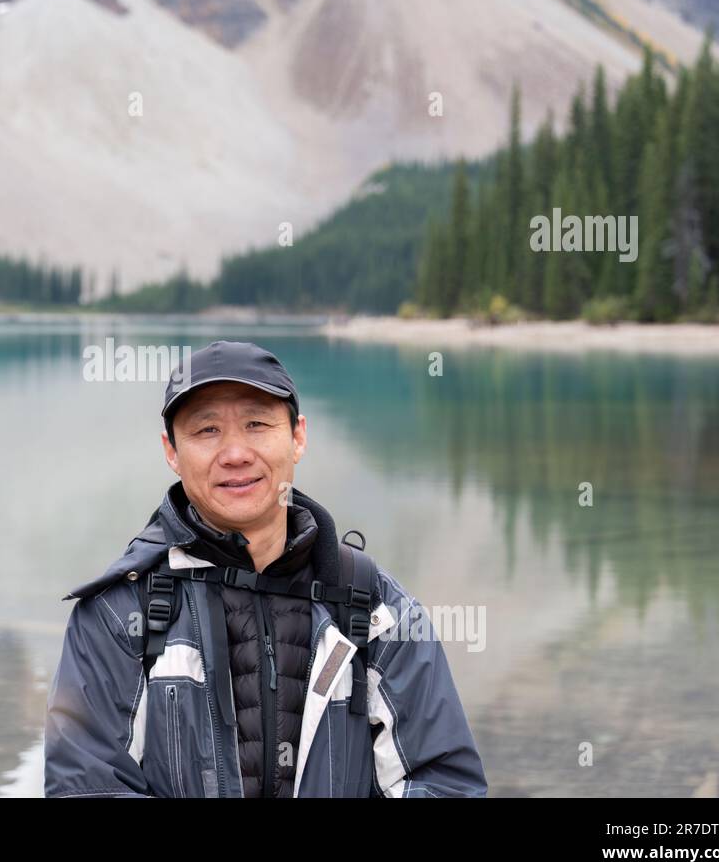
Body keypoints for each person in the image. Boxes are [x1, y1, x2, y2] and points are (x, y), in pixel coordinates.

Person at [43, 340, 487, 797]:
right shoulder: (117, 614)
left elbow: (442, 781)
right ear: (171, 451)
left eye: (257, 424)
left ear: (298, 436)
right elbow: (88, 787)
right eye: (206, 430)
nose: (235, 453)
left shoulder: (377, 609)